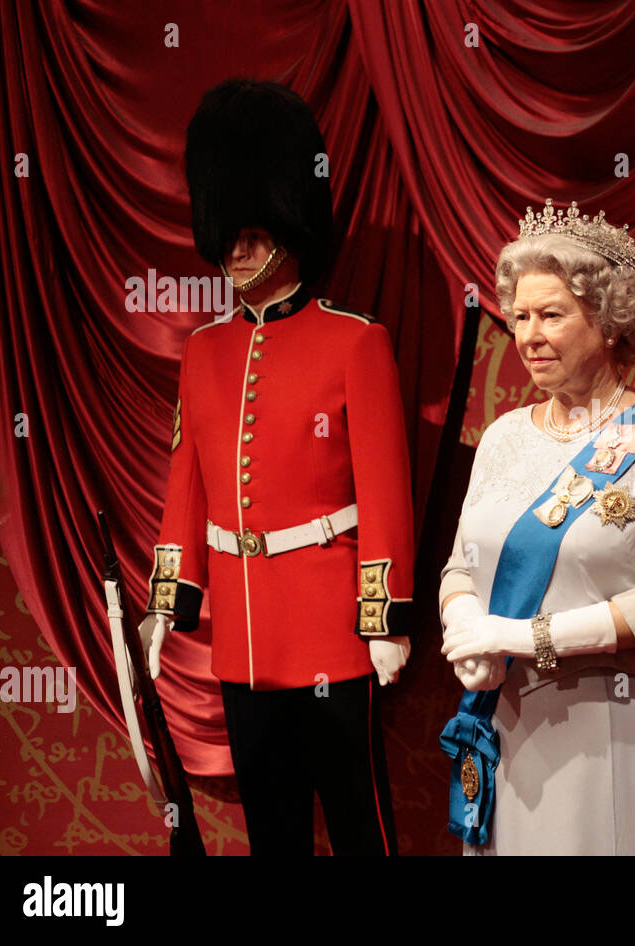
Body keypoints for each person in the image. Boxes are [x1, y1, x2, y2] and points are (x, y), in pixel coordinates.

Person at [138, 79, 414, 855]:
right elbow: (185, 485)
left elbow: (386, 493)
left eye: (253, 229)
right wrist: (167, 602)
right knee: (275, 837)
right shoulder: (204, 351)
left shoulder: (355, 340)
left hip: (333, 632)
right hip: (244, 641)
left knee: (362, 830)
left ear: (291, 225)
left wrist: (382, 615)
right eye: (228, 230)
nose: (236, 247)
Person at [438, 200, 635, 855]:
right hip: (511, 725)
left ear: (607, 319)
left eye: (552, 315)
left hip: (616, 725)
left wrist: (517, 634)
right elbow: (460, 565)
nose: (529, 335)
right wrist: (465, 632)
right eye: (519, 316)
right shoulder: (503, 437)